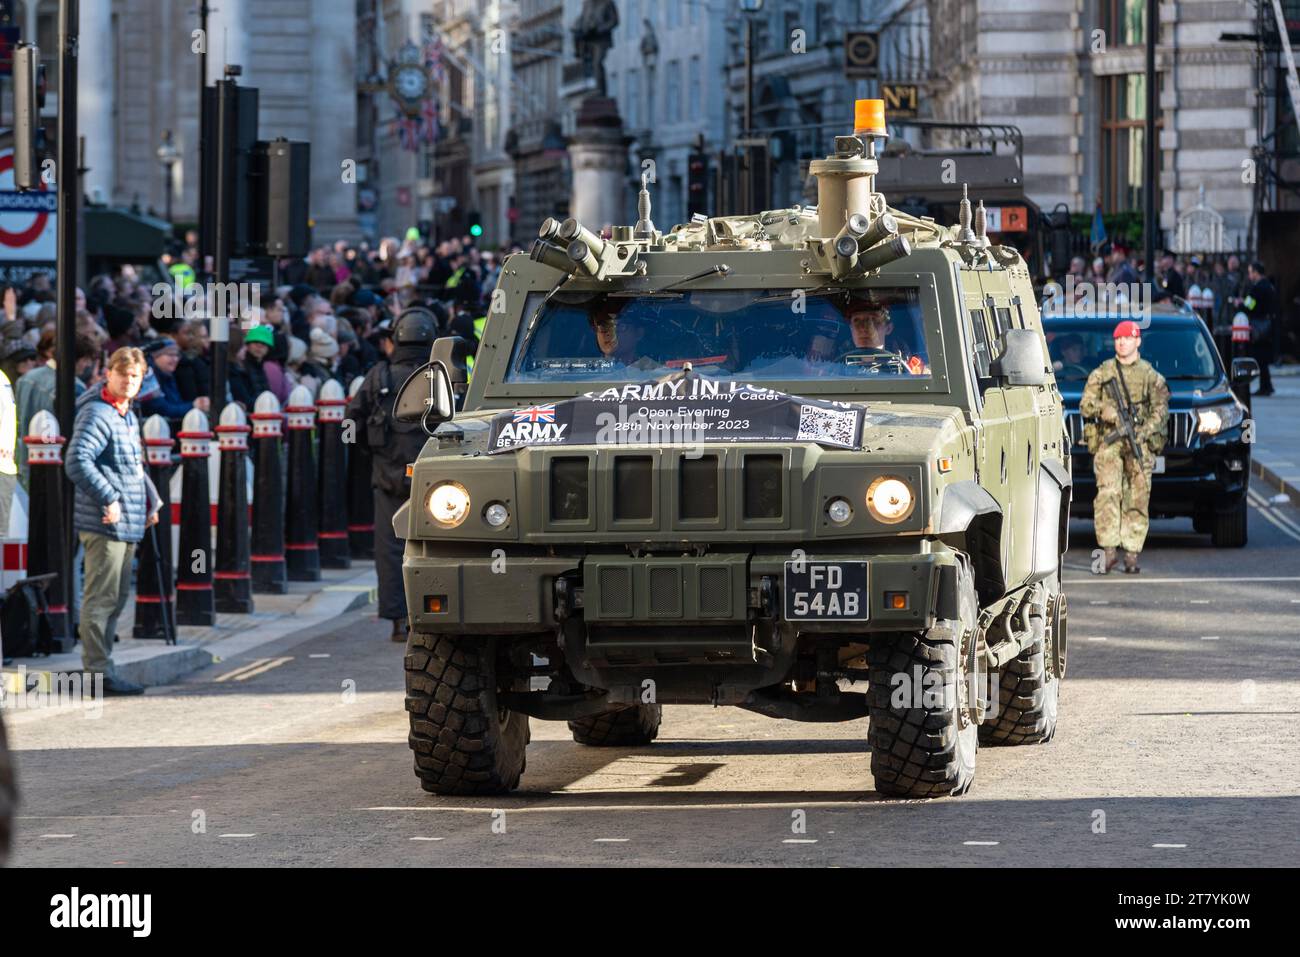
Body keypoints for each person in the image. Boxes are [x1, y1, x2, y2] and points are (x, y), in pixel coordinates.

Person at [64, 347, 162, 695]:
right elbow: (76, 460)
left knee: (116, 600)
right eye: (123, 374)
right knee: (101, 600)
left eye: (134, 376)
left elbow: (132, 468)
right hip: (103, 522)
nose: (128, 381)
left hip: (126, 521)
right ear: (109, 373)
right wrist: (109, 497)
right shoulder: (98, 413)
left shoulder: (126, 414)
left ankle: (104, 669)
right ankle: (97, 674)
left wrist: (150, 500)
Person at [345, 309, 440, 641]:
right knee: (439, 547)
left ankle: (399, 620)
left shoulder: (378, 376)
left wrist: (371, 454)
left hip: (388, 475)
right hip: (437, 478)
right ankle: (432, 614)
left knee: (389, 549)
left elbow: (350, 424)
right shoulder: (443, 375)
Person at [1080, 320, 1170, 574]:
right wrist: (1104, 410)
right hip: (1109, 443)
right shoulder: (1103, 372)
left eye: (1127, 338)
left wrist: (1144, 431)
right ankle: (1109, 551)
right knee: (1108, 494)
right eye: (1118, 339)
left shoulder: (1150, 375)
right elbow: (1085, 404)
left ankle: (1131, 553)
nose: (1122, 342)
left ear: (1137, 341)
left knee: (1138, 496)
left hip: (1139, 443)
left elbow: (1161, 409)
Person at [15, 332, 101, 490]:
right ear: (78, 358)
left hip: (23, 462)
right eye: (86, 360)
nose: (87, 365)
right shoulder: (73, 387)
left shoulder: (26, 378)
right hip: (54, 466)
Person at [1233, 261, 1278, 396]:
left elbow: (1249, 306)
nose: (1249, 275)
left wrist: (1239, 303)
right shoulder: (1270, 286)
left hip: (1258, 328)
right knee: (1263, 358)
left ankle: (1265, 386)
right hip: (1268, 326)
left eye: (1250, 272)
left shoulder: (1258, 288)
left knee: (1259, 358)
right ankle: (1267, 385)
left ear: (1256, 273)